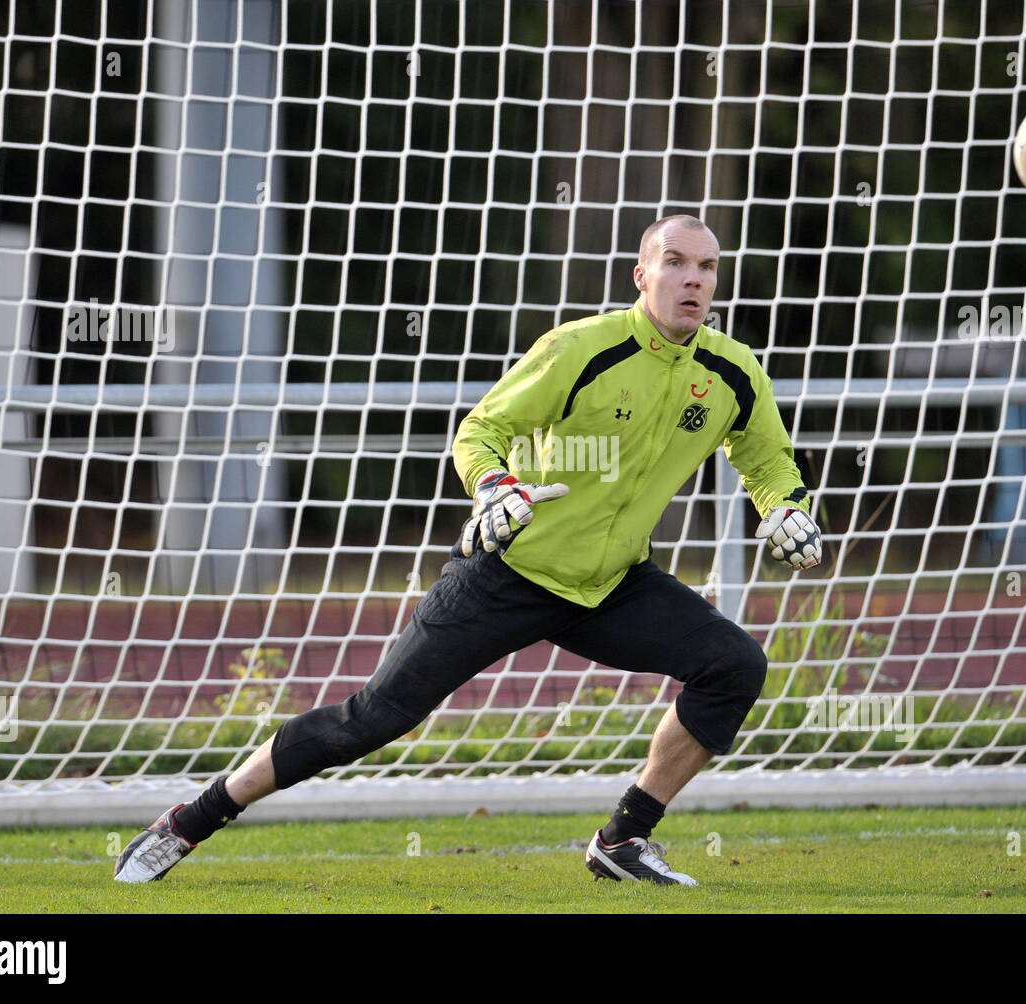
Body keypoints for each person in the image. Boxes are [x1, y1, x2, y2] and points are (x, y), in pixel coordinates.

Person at [114, 214, 822, 887]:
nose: (693, 280)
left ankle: (623, 841)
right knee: (370, 720)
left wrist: (785, 507)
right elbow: (480, 430)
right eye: (675, 263)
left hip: (611, 584)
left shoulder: (733, 371)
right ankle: (190, 820)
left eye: (707, 267)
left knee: (734, 663)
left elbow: (766, 461)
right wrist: (496, 487)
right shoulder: (579, 349)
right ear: (641, 275)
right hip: (507, 571)